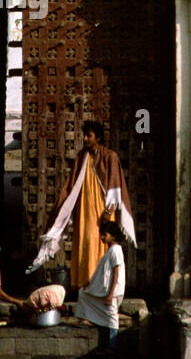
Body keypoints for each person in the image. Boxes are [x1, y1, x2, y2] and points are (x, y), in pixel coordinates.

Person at [27, 120, 137, 288]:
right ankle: (83, 284)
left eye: (89, 135)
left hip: (102, 209)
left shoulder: (110, 157)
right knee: (84, 242)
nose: (85, 138)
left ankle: (100, 285)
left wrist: (109, 210)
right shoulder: (82, 156)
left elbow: (115, 186)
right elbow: (72, 186)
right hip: (84, 209)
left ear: (98, 137)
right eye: (84, 135)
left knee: (98, 242)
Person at [73, 219, 125, 348]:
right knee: (83, 294)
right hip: (104, 290)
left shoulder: (115, 250)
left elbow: (116, 274)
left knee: (112, 317)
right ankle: (91, 320)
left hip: (111, 291)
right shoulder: (109, 250)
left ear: (113, 236)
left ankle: (113, 346)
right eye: (101, 234)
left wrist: (110, 294)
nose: (102, 237)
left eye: (105, 235)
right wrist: (89, 284)